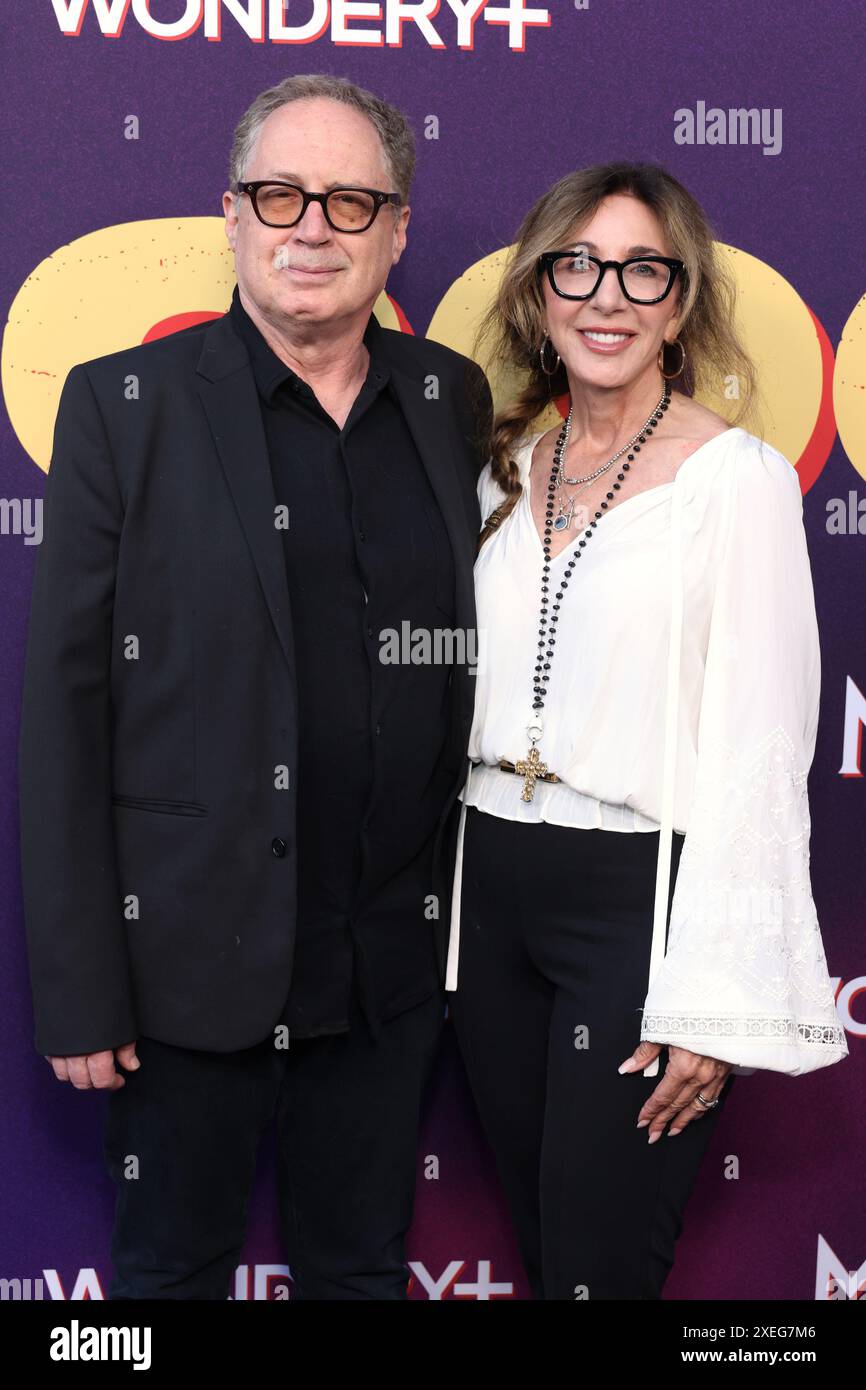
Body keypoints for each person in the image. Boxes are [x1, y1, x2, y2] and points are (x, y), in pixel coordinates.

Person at [18, 73, 492, 1300]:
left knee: (360, 1274)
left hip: (383, 972)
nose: (312, 226)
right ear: (230, 216)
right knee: (168, 1277)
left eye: (350, 200)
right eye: (281, 193)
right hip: (184, 967)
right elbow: (66, 713)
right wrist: (80, 985)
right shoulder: (126, 409)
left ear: (395, 229)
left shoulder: (447, 401)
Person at [444, 162, 848, 1301]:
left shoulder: (738, 482)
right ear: (537, 294)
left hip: (637, 902)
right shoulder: (501, 470)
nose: (604, 295)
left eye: (640, 270)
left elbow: (763, 748)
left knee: (599, 1263)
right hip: (487, 889)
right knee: (540, 1241)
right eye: (575, 265)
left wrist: (707, 1002)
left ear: (677, 304)